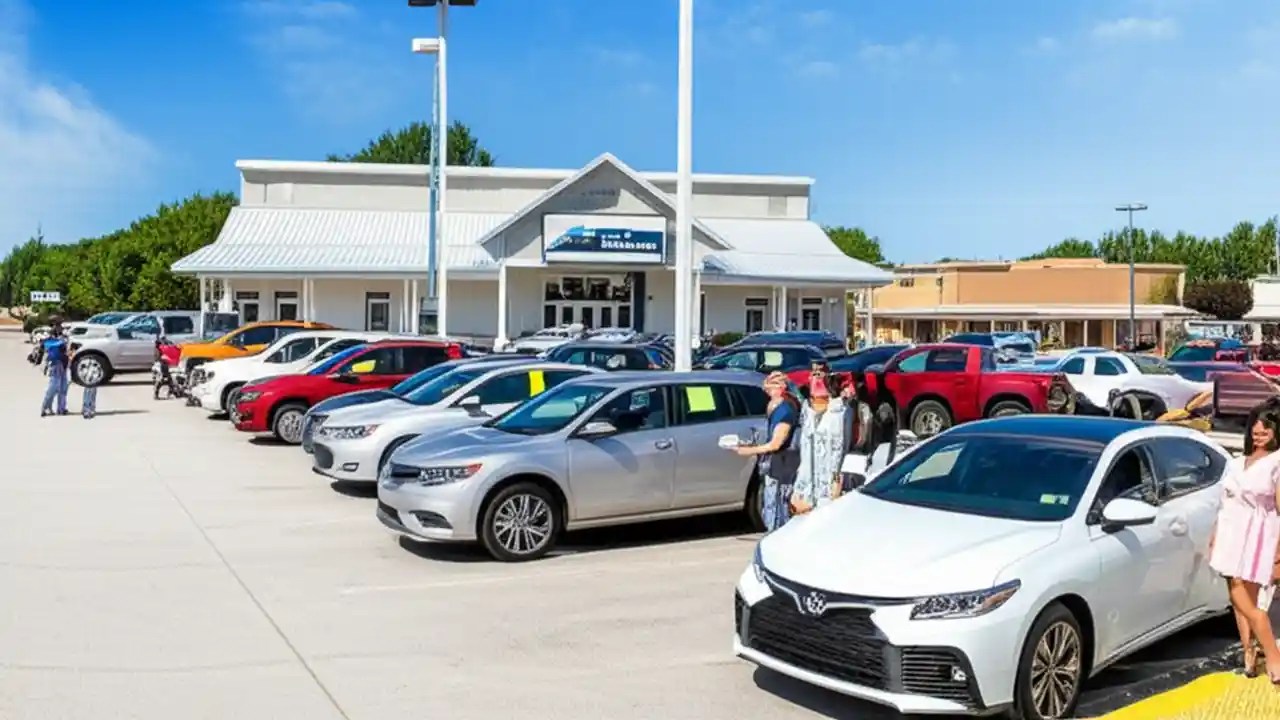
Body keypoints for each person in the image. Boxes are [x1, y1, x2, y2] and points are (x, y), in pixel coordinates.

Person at [1208, 404, 1280, 682]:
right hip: (1230, 531)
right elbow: (1225, 501)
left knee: (1243, 594)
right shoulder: (1237, 461)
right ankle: (1249, 652)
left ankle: (1271, 652)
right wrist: (1215, 534)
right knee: (1239, 598)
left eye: (1268, 426)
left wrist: (1277, 551)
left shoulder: (1276, 462)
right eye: (1257, 425)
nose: (1260, 431)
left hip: (1258, 533)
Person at [735, 372, 801, 531]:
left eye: (771, 389)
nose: (767, 392)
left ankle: (778, 533)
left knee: (778, 502)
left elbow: (776, 444)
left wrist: (749, 450)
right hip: (778, 463)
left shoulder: (785, 411)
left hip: (783, 464)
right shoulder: (778, 408)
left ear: (781, 388)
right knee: (772, 500)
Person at [791, 362, 857, 514]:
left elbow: (838, 451)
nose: (817, 375)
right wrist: (799, 490)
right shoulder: (807, 411)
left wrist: (836, 484)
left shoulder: (839, 413)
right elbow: (806, 455)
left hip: (829, 489)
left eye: (821, 372)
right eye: (814, 372)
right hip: (807, 489)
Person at [40, 320, 70, 417]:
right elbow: (46, 347)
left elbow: (66, 348)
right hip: (55, 364)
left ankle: (61, 408)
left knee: (63, 387)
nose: (58, 327)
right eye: (57, 325)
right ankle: (45, 407)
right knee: (53, 387)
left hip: (62, 364)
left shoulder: (63, 336)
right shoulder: (49, 338)